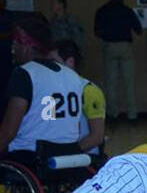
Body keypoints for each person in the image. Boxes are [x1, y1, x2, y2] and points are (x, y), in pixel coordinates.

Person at [0, 16, 87, 170]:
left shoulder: (24, 73)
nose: (12, 47)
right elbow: (61, 122)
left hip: (32, 157)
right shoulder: (73, 76)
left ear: (26, 45)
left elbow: (8, 132)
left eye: (16, 42)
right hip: (70, 153)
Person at [93, 0, 143, 121]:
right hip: (125, 46)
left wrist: (108, 33)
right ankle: (132, 114)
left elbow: (97, 32)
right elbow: (139, 30)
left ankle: (112, 113)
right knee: (129, 83)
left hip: (110, 45)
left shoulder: (103, 10)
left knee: (111, 83)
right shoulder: (127, 11)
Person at [52, 39, 106, 158]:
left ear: (70, 62)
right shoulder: (51, 90)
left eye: (54, 62)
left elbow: (97, 137)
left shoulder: (89, 90)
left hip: (84, 158)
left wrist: (67, 153)